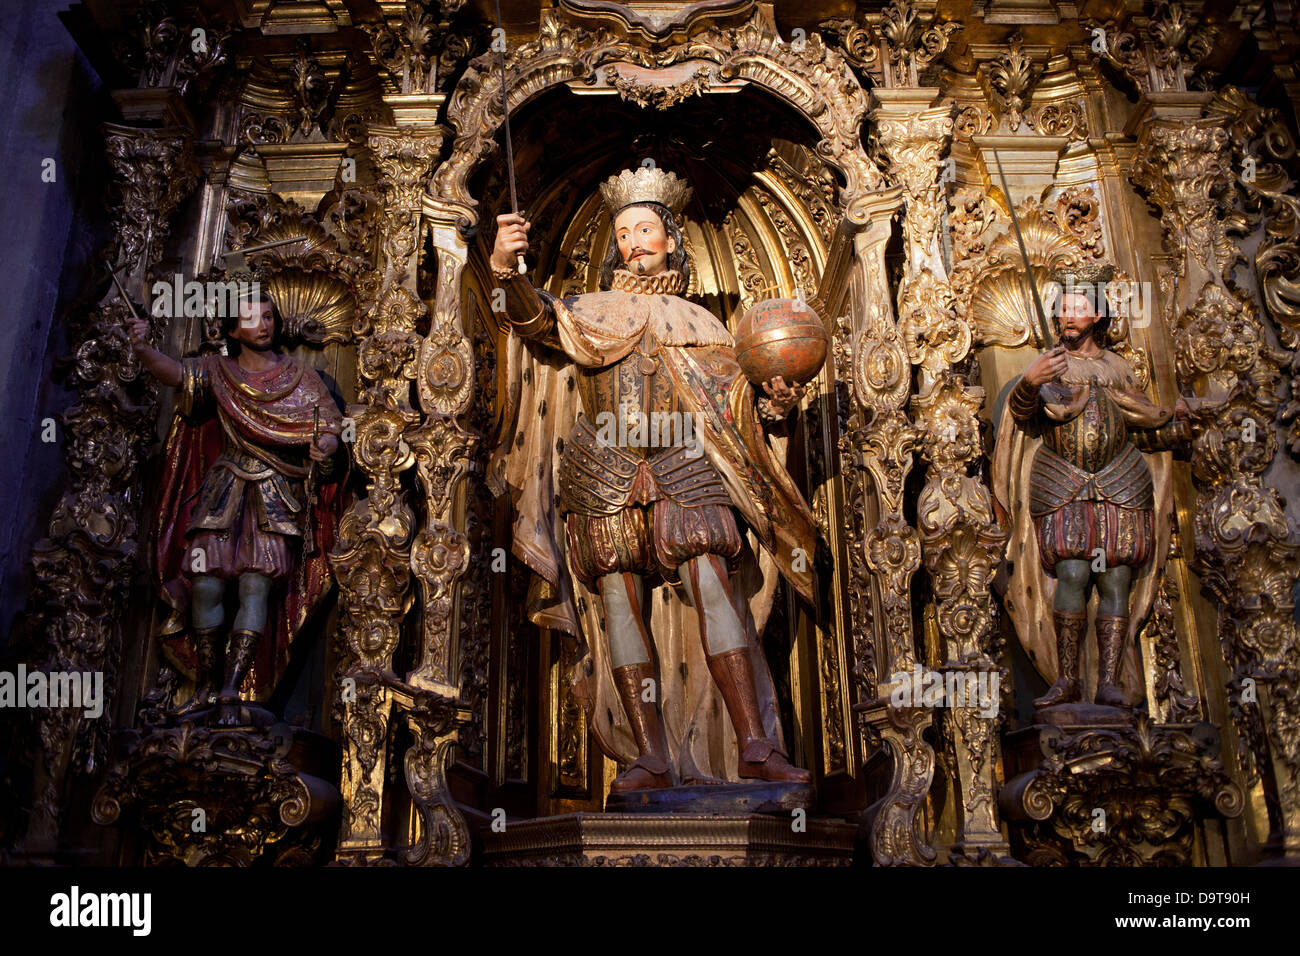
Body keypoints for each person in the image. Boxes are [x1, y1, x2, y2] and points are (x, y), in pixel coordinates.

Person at [488, 166, 818, 789]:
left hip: (687, 468)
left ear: (670, 237)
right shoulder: (585, 310)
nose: (634, 241)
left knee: (714, 588)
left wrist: (775, 404)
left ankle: (752, 742)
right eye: (622, 232)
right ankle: (650, 754)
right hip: (601, 469)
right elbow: (530, 320)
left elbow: (735, 418)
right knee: (618, 602)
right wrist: (507, 268)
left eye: (645, 228)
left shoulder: (707, 327)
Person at [128, 291, 344, 725]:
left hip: (274, 491)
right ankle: (208, 683)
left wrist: (325, 445)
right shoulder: (219, 372)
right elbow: (173, 374)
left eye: (268, 316)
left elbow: (330, 425)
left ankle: (233, 688)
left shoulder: (302, 377)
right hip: (225, 490)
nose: (263, 325)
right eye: (252, 318)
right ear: (232, 330)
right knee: (205, 584)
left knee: (255, 585)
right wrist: (143, 347)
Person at [993, 268, 1188, 713]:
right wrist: (1030, 381)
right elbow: (1023, 415)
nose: (1068, 316)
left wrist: (1173, 427)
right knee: (1074, 573)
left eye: (1079, 308)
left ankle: (1109, 681)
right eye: (1063, 308)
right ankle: (1066, 679)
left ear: (1098, 314)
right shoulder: (1050, 364)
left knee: (1116, 576)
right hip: (1063, 482)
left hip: (1121, 482)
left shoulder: (1118, 368)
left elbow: (1139, 428)